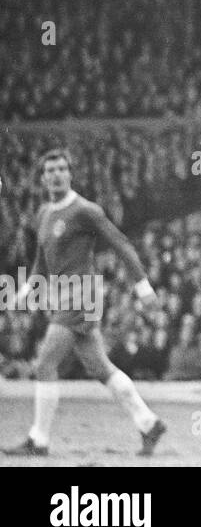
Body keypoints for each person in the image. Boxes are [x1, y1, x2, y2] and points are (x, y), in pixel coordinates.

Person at [3, 149, 166, 458]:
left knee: (45, 363)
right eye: (50, 170)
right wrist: (27, 290)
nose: (56, 175)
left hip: (83, 294)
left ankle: (38, 440)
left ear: (70, 174)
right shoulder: (43, 213)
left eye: (61, 169)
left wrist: (143, 286)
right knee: (99, 367)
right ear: (42, 178)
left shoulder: (85, 210)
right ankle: (149, 423)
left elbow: (121, 244)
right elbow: (41, 262)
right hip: (64, 295)